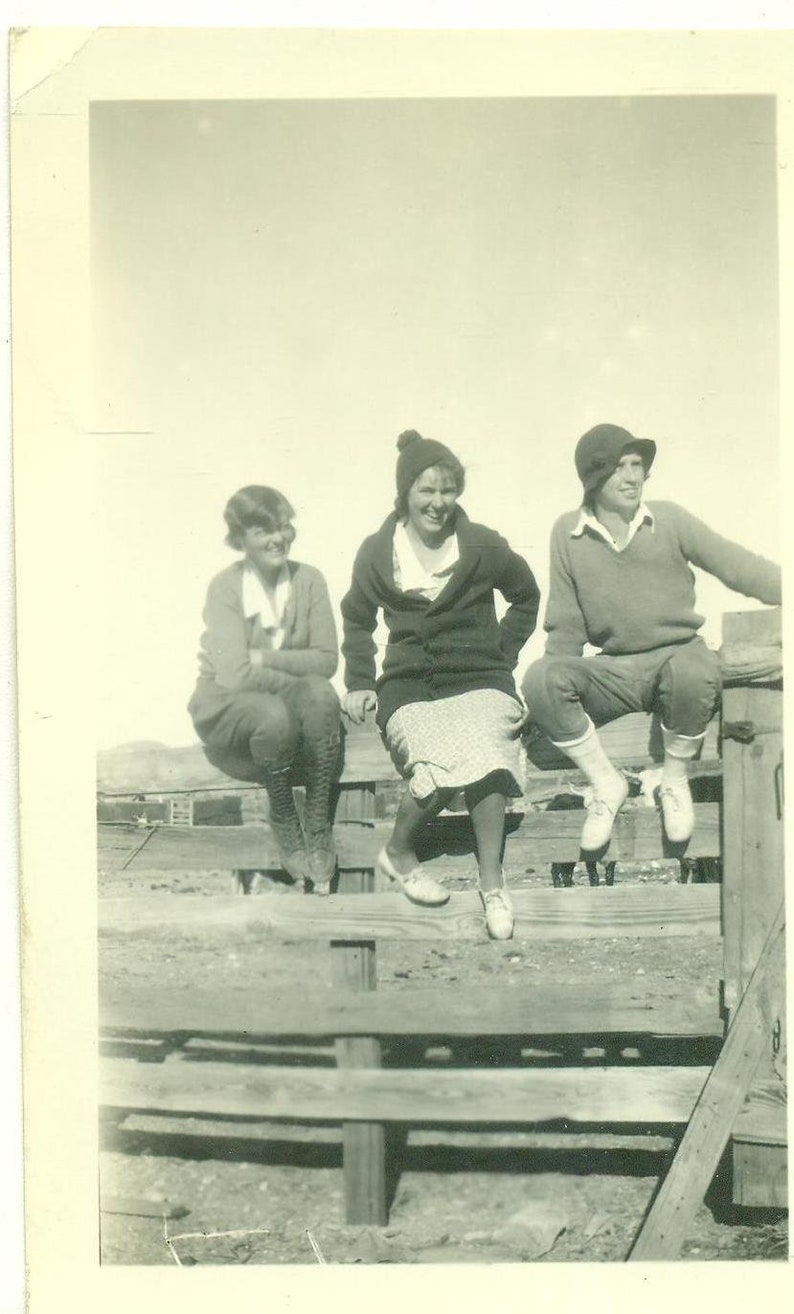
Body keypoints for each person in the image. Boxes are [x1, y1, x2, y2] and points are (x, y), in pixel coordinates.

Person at [522, 423, 781, 852]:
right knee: (540, 678)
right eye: (619, 467)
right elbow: (565, 626)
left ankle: (673, 781)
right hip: (614, 671)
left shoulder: (670, 519)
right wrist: (546, 703)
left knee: (695, 670)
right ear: (592, 478)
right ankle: (606, 784)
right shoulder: (567, 533)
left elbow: (737, 566)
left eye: (637, 465)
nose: (632, 477)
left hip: (677, 657)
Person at [341, 430, 541, 939]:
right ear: (405, 492)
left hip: (480, 679)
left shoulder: (481, 544)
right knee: (437, 759)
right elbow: (357, 619)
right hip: (410, 684)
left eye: (448, 490)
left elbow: (526, 595)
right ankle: (399, 852)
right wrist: (360, 679)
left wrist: (501, 653)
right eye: (426, 490)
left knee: (489, 745)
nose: (438, 502)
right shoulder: (378, 552)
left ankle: (492, 883)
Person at [188, 486, 341, 893]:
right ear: (240, 539)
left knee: (321, 695)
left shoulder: (309, 580)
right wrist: (295, 677)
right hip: (227, 704)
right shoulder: (225, 587)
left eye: (283, 526)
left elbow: (327, 660)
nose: (278, 538)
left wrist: (263, 658)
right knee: (277, 714)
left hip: (280, 705)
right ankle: (284, 813)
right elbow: (236, 676)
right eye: (263, 531)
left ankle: (318, 822)